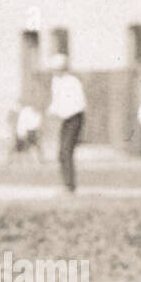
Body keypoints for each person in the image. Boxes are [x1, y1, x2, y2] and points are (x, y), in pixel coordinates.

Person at [48, 54, 86, 193]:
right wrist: (53, 111)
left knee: (66, 150)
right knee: (62, 152)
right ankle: (67, 184)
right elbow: (56, 101)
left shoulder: (72, 82)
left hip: (74, 117)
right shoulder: (56, 81)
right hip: (65, 119)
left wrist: (61, 112)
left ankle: (69, 185)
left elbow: (78, 104)